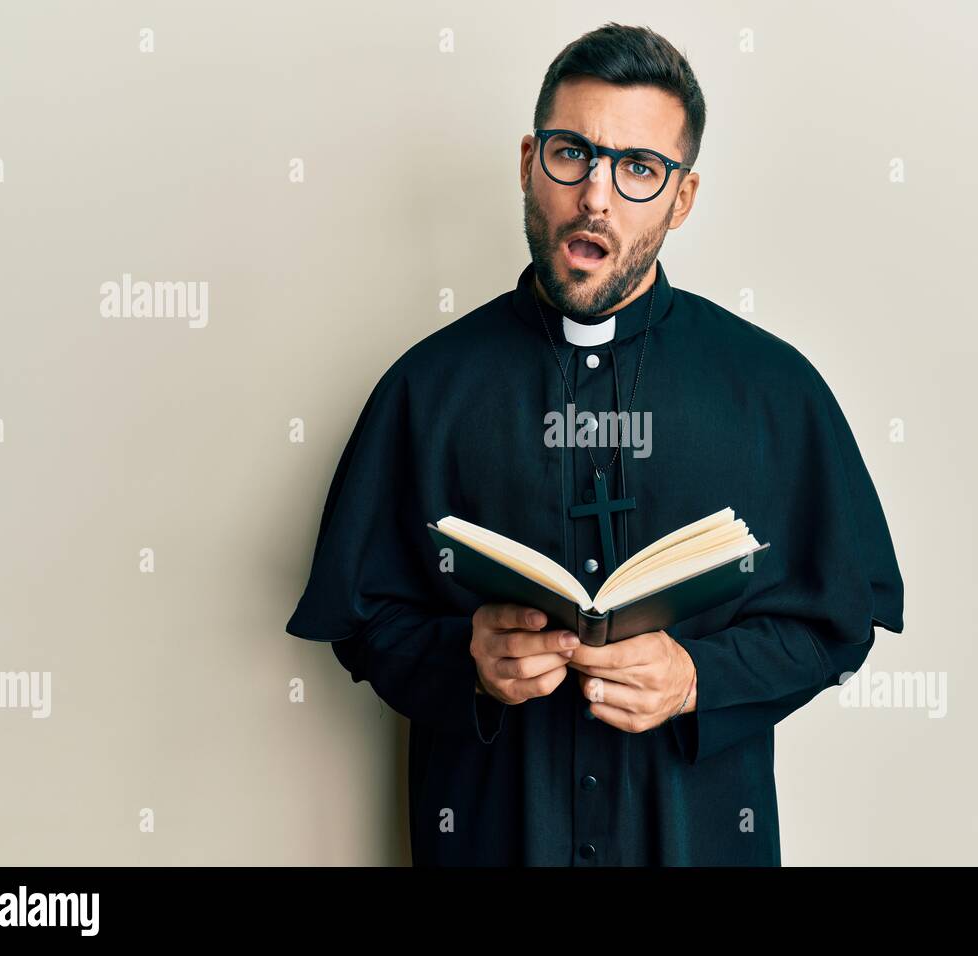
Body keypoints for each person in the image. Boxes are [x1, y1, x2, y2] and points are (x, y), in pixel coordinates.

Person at [285, 22, 904, 866]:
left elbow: (838, 621)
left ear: (681, 198)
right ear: (529, 163)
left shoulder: (773, 390)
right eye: (572, 154)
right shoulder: (426, 389)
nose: (596, 198)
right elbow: (360, 620)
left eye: (639, 169)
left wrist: (698, 679)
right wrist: (465, 658)